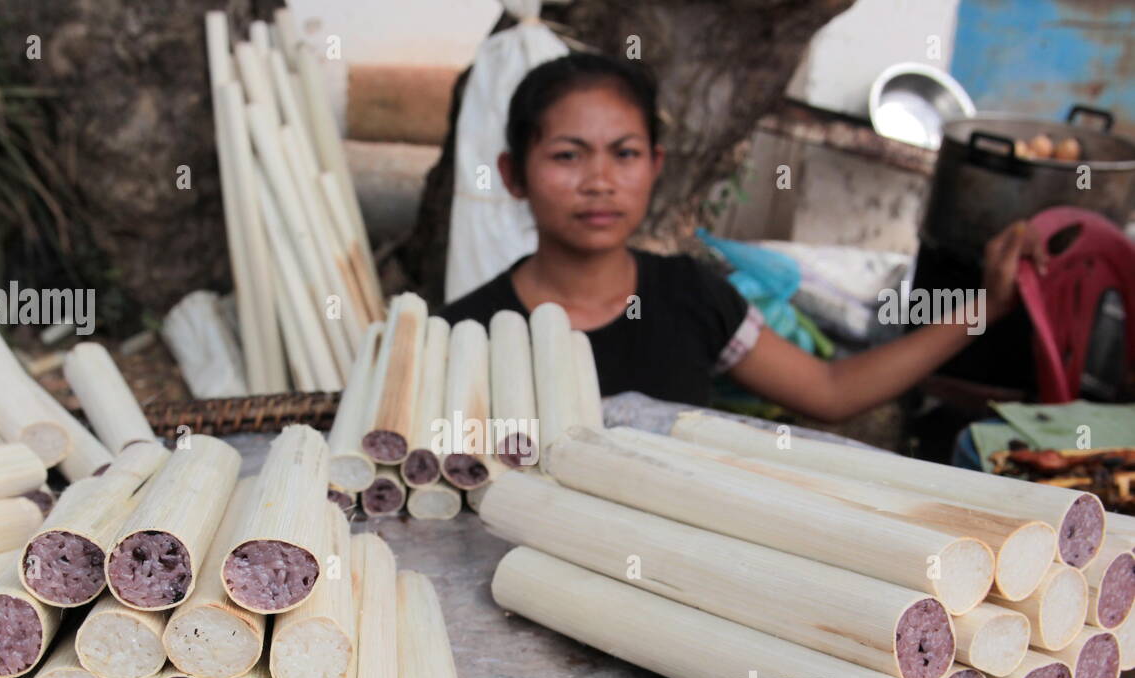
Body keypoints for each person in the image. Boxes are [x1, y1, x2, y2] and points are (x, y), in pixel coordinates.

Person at [436, 52, 1049, 420]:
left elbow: (831, 390)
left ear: (655, 164)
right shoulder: (465, 333)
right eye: (568, 156)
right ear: (515, 175)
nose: (600, 181)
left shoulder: (689, 295)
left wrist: (983, 310)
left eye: (624, 153)